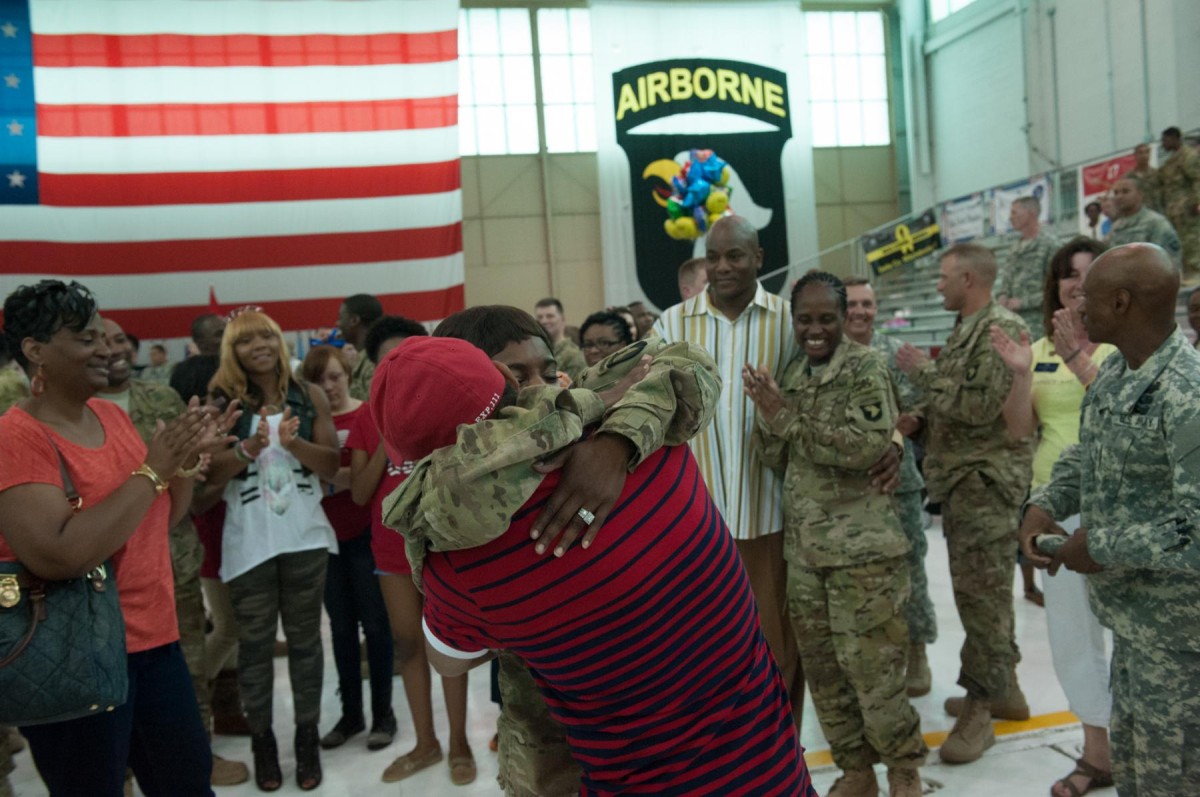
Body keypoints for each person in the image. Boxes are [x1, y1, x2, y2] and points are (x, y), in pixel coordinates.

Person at [374, 335, 815, 796]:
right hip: (774, 773)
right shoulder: (651, 439)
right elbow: (678, 358)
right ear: (506, 377)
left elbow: (446, 661)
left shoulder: (462, 570)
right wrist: (610, 428)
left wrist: (522, 625)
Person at [432, 304, 722, 797]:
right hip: (547, 742)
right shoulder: (465, 501)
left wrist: (617, 441)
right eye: (515, 378)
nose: (541, 389)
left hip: (650, 729)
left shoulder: (591, 427)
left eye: (548, 373)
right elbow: (449, 653)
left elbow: (685, 360)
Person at [0, 279, 228, 796]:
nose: (107, 349)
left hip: (156, 642)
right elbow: (58, 555)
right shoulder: (16, 437)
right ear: (36, 351)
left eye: (105, 337)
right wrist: (154, 469)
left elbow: (156, 522)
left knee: (187, 783)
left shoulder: (111, 415)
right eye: (87, 338)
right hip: (75, 653)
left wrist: (182, 462)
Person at [1020, 242, 1200, 797]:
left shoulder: (1187, 393)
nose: (1077, 307)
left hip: (1179, 640)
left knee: (1173, 780)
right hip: (1134, 624)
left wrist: (1098, 546)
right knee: (1138, 776)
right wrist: (1045, 504)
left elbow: (1195, 528)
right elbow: (1089, 453)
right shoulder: (1119, 369)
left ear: (1121, 302)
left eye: (1089, 297)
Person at [746, 272, 926, 797]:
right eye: (805, 319)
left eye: (827, 318)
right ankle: (856, 771)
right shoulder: (792, 372)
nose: (815, 329)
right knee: (825, 673)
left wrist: (783, 417)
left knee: (875, 672)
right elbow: (774, 455)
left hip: (863, 553)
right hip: (806, 554)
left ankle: (903, 771)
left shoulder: (865, 367)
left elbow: (865, 448)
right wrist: (768, 416)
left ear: (844, 318)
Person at [895, 243, 1033, 764]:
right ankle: (1005, 690)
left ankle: (980, 708)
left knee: (982, 602)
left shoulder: (1001, 329)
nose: (938, 285)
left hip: (984, 486)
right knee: (984, 597)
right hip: (963, 483)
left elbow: (977, 407)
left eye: (944, 276)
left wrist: (922, 371)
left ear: (969, 279)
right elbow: (955, 403)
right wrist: (920, 418)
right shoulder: (968, 329)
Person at [989, 237, 1117, 797]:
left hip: (1121, 506)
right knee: (1072, 634)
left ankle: (1150, 742)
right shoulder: (1038, 347)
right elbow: (1020, 429)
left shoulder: (1126, 345)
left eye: (1089, 272)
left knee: (1135, 633)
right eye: (1068, 273)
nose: (1077, 282)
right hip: (1056, 507)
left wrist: (1077, 359)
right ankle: (1097, 751)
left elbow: (1124, 410)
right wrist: (1021, 373)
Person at [98, 317, 250, 787]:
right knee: (109, 683)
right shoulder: (76, 415)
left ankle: (199, 750)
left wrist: (197, 459)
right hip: (98, 569)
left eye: (120, 340)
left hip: (171, 556)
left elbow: (190, 481)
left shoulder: (161, 399)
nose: (113, 349)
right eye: (100, 341)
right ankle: (121, 770)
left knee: (187, 664)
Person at [204, 308, 340, 791]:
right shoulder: (222, 404)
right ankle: (263, 741)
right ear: (232, 350)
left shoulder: (309, 394)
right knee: (255, 647)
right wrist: (247, 449)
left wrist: (293, 444)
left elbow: (332, 466)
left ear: (278, 340)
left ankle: (306, 738)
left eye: (265, 335)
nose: (258, 345)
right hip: (249, 545)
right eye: (246, 340)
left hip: (306, 538)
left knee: (306, 643)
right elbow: (202, 488)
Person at [343, 315, 477, 786]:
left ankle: (459, 742)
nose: (398, 368)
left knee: (449, 642)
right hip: (391, 553)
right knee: (408, 644)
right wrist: (387, 430)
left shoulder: (446, 406)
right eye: (388, 361)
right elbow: (360, 493)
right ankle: (426, 743)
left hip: (443, 546)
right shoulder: (366, 417)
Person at [843, 277, 938, 697]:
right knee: (857, 575)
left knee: (911, 567)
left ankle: (917, 651)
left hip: (899, 482)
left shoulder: (896, 353)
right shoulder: (825, 356)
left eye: (867, 303)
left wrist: (909, 424)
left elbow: (923, 404)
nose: (860, 311)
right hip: (849, 488)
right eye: (852, 304)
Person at [299, 347, 395, 755]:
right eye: (319, 380)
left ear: (349, 375)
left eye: (335, 376)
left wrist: (330, 476)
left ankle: (383, 714)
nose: (329, 386)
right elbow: (308, 474)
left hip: (367, 534)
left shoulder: (367, 414)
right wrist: (343, 475)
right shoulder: (305, 423)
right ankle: (351, 713)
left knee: (376, 626)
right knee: (339, 629)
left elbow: (358, 479)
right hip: (323, 537)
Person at [996, 196, 1059, 331]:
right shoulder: (1014, 249)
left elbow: (1056, 288)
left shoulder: (1050, 245)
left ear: (1030, 214)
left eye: (1014, 213)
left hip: (1039, 324)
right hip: (1013, 323)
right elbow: (1006, 282)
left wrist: (1024, 302)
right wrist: (1002, 297)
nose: (1010, 217)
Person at [1107, 176, 1183, 265]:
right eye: (1116, 193)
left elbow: (1170, 261)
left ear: (1140, 195)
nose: (1119, 196)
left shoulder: (1156, 223)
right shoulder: (1115, 227)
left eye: (1125, 191)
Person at [1158, 126, 1200, 281]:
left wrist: (1197, 203)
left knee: (1192, 246)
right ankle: (1190, 279)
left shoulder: (1188, 156)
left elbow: (1197, 179)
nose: (1163, 144)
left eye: (1165, 140)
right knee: (1180, 247)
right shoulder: (1170, 161)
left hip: (1187, 211)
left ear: (1175, 138)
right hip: (1175, 213)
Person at [336, 294, 384, 400]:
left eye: (341, 317)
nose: (338, 323)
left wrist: (347, 370)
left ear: (354, 320)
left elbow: (369, 403)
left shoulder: (373, 361)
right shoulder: (369, 355)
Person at [534, 298, 587, 384]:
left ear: (562, 318)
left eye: (550, 316)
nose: (544, 321)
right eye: (540, 317)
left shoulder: (573, 356)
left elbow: (576, 387)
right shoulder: (536, 352)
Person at [1126, 143, 1161, 212]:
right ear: (1135, 156)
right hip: (1140, 213)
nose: (1144, 155)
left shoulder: (1157, 174)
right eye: (1140, 153)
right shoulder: (1129, 177)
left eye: (1147, 152)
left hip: (1158, 212)